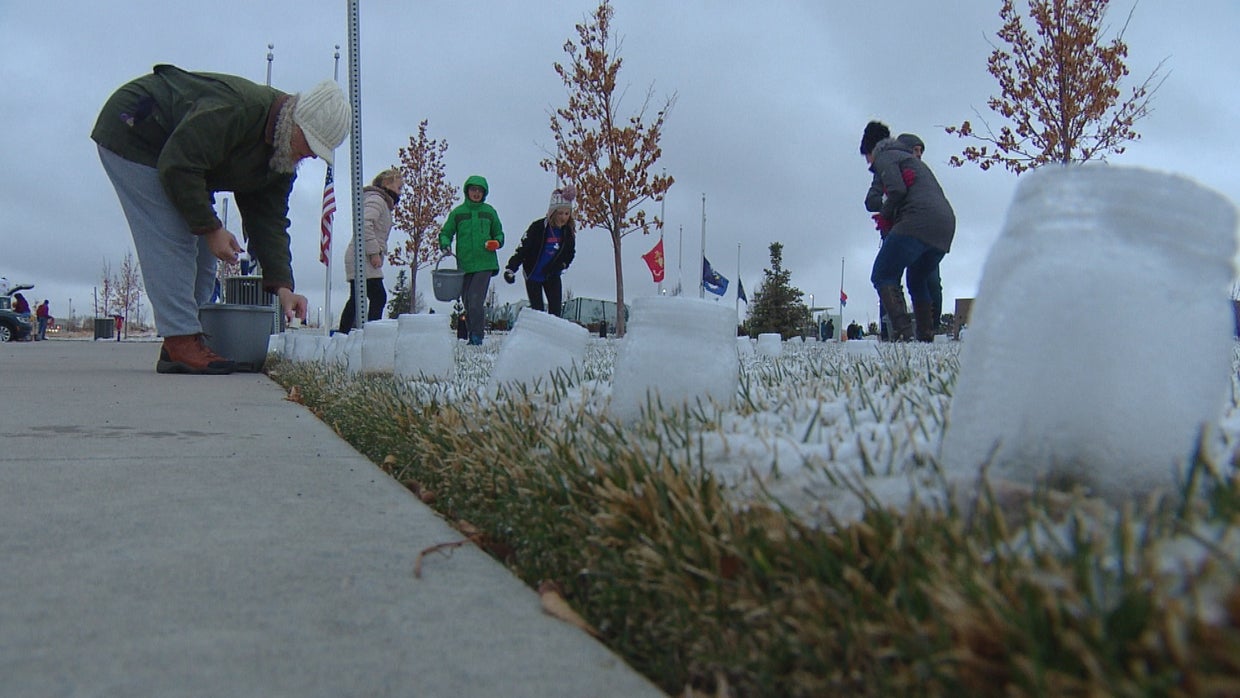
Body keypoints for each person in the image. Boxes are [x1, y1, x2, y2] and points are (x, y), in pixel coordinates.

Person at [92, 64, 350, 374]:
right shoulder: (238, 110)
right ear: (294, 121)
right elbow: (178, 165)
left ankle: (184, 337)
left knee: (205, 256)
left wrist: (283, 286)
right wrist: (212, 228)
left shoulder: (282, 156)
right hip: (136, 128)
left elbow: (269, 221)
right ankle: (180, 340)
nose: (308, 155)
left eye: (317, 152)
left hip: (180, 160)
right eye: (309, 144)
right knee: (174, 237)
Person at [859, 120, 955, 342]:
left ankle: (904, 334)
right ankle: (925, 334)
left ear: (871, 149)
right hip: (945, 226)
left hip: (916, 222)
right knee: (918, 277)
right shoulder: (909, 159)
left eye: (866, 157)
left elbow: (897, 190)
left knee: (883, 273)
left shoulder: (886, 157)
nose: (868, 162)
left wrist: (884, 214)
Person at [440, 175, 503, 345]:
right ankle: (470, 333)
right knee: (467, 301)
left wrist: (496, 242)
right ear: (467, 191)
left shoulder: (489, 212)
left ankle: (477, 337)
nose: (476, 193)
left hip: (485, 263)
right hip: (465, 264)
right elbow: (446, 232)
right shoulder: (458, 213)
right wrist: (445, 244)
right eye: (473, 189)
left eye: (480, 190)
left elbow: (499, 233)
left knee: (475, 299)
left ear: (484, 193)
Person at [339, 168, 402, 333]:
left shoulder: (380, 202)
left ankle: (346, 334)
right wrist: (374, 253)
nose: (400, 191)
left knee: (358, 299)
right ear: (386, 184)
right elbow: (364, 225)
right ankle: (369, 335)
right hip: (362, 256)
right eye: (399, 187)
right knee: (377, 297)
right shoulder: (377, 200)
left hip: (364, 255)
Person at [502, 184, 577, 317]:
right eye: (560, 213)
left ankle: (552, 336)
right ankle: (537, 335)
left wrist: (562, 265)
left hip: (552, 274)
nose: (563, 217)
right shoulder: (538, 228)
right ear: (552, 213)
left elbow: (569, 253)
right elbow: (523, 249)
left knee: (555, 312)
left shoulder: (567, 233)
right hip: (533, 274)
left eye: (567, 213)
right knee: (538, 312)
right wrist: (511, 268)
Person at [896, 133, 944, 335]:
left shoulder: (926, 175)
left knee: (931, 281)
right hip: (902, 231)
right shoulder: (894, 171)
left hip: (926, 234)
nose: (918, 155)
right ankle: (895, 329)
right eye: (915, 150)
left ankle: (931, 327)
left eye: (920, 151)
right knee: (889, 278)